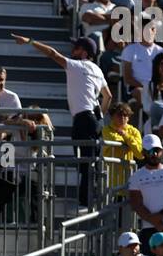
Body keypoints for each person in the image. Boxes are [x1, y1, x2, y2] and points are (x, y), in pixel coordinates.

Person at [10, 34, 110, 207]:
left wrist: (31, 41)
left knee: (84, 163)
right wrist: (99, 116)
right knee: (88, 161)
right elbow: (108, 96)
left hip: (83, 119)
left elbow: (52, 53)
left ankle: (86, 201)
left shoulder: (77, 66)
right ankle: (87, 198)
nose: (73, 51)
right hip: (93, 119)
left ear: (85, 53)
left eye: (77, 48)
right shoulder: (98, 70)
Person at [126, 134, 163, 255]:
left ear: (162, 151)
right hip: (148, 228)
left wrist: (160, 217)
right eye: (149, 151)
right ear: (143, 152)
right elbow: (136, 204)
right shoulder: (136, 177)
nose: (153, 154)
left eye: (156, 150)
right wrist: (157, 223)